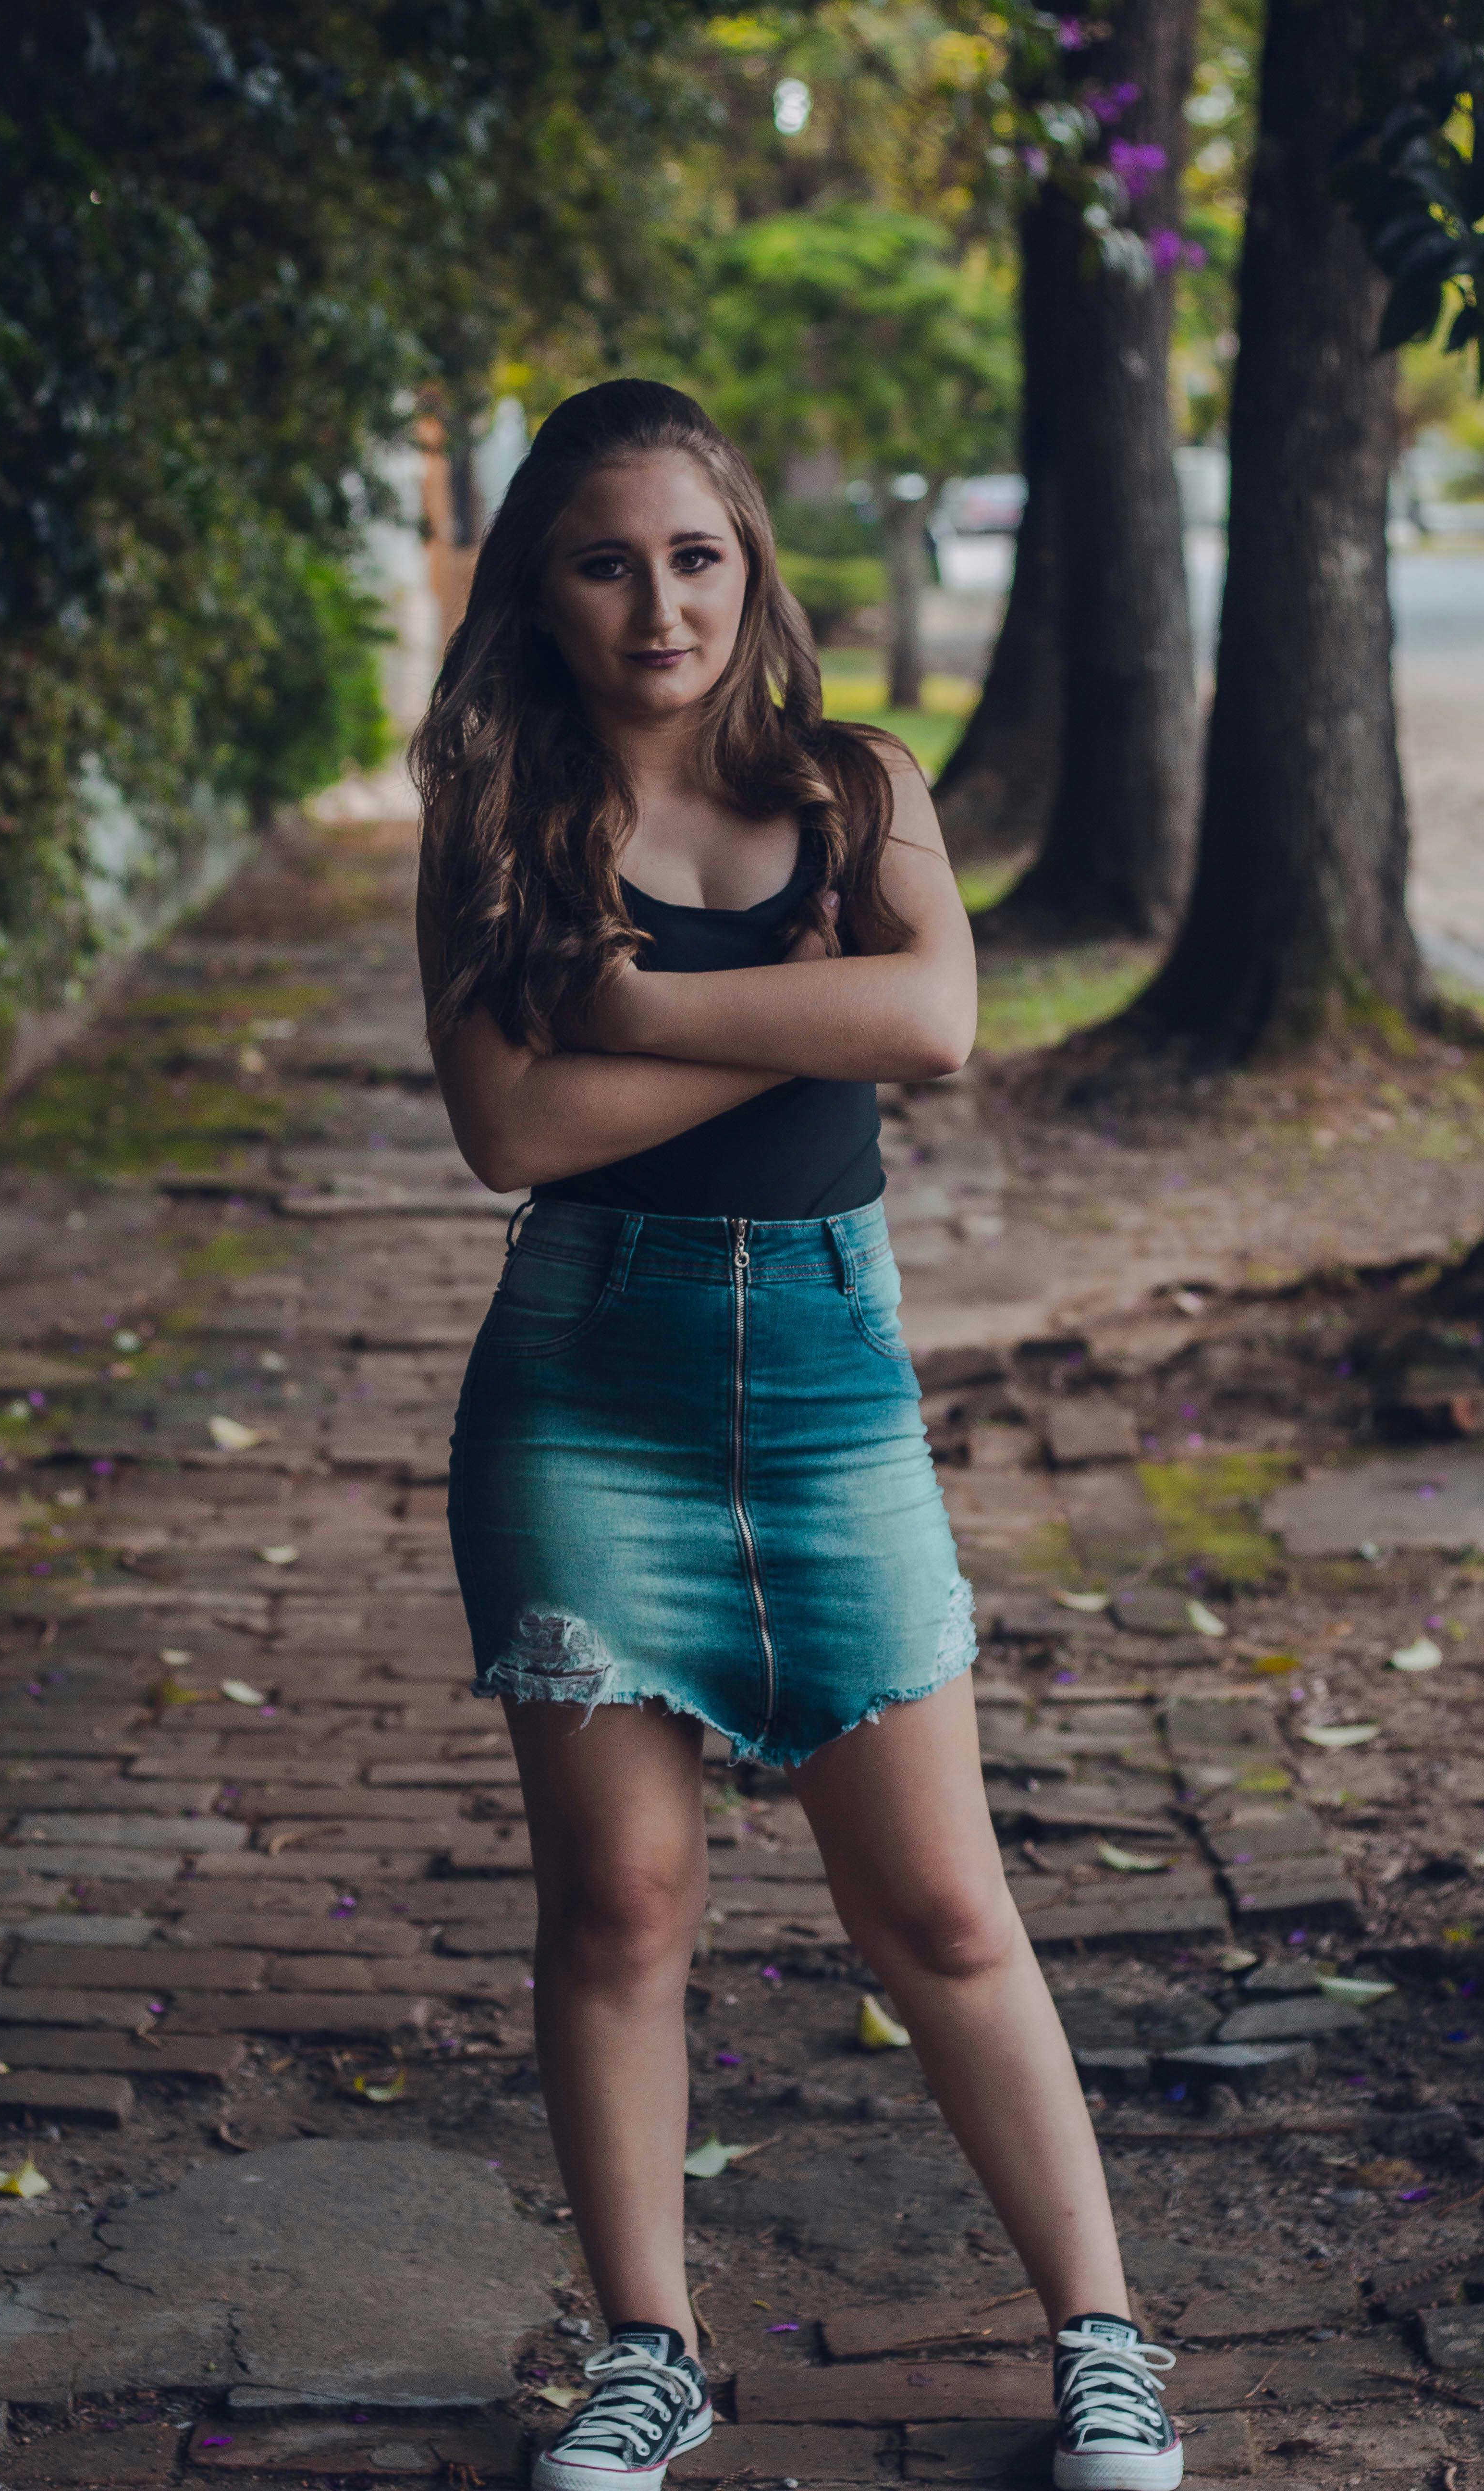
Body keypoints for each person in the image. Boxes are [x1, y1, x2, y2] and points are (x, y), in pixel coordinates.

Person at [412, 379, 1182, 2491]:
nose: (659, 602)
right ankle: (647, 2352)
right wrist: (795, 1012)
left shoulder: (859, 784)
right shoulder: (496, 804)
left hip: (834, 1393)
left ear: (749, 569)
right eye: (604, 559)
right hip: (583, 1389)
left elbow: (934, 1021)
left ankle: (1106, 2337)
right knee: (622, 1905)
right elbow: (511, 1131)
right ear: (541, 591)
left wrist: (637, 1002)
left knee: (942, 1910)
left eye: (695, 555)